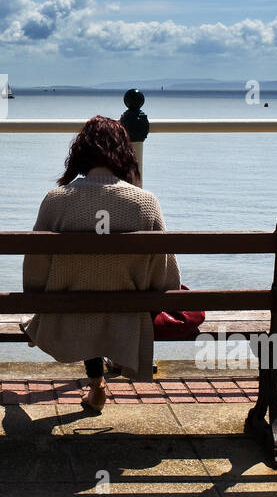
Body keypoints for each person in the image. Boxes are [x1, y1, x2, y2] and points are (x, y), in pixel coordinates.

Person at [21, 116, 180, 412]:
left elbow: (34, 270)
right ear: (124, 153)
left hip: (66, 318)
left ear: (80, 153)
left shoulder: (57, 200)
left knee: (86, 295)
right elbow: (166, 279)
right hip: (126, 320)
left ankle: (96, 385)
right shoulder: (146, 203)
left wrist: (40, 299)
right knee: (105, 294)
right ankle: (111, 362)